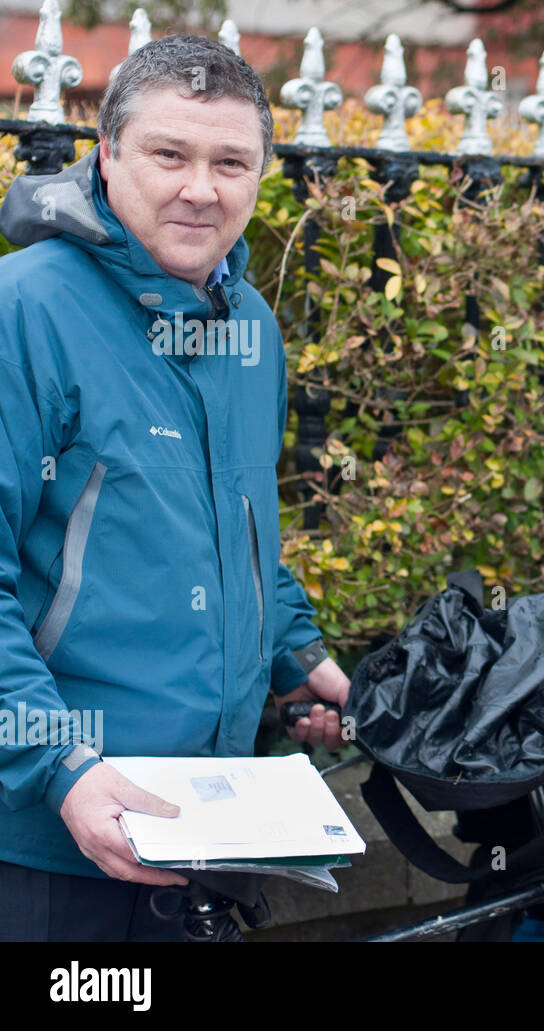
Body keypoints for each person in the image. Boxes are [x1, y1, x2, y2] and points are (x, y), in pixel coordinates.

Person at [0, 35, 351, 941]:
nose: (203, 187)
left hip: (210, 833)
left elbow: (238, 538)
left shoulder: (253, 328)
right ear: (107, 154)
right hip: (48, 850)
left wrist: (299, 659)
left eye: (231, 161)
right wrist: (60, 767)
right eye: (170, 154)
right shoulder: (25, 310)